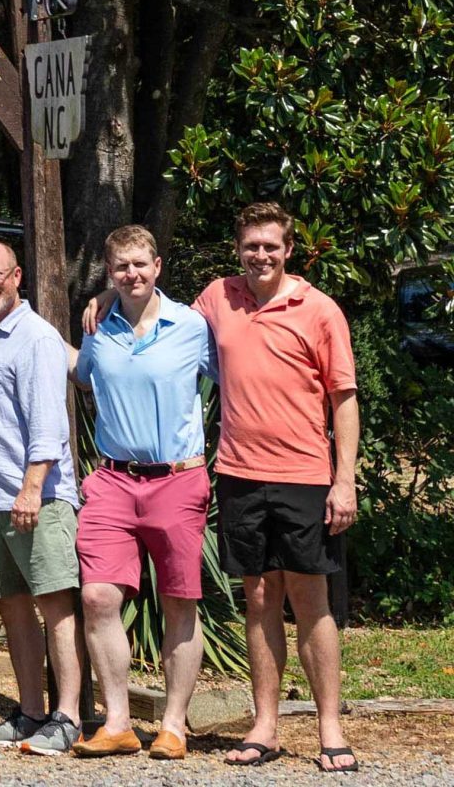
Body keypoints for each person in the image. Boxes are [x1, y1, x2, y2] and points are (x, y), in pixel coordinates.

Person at [192, 203, 360, 773]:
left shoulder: (318, 310)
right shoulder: (219, 298)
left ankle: (330, 727)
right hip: (238, 472)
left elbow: (344, 397)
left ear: (289, 249)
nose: (259, 255)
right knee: (259, 599)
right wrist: (105, 300)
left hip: (307, 476)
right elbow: (160, 318)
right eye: (250, 246)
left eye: (270, 246)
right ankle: (264, 725)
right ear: (237, 248)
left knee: (310, 601)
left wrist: (344, 481)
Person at [69, 226, 215, 761]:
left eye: (140, 264)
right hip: (111, 479)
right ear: (109, 272)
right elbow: (83, 378)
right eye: (120, 268)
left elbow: (233, 377)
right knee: (97, 597)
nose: (131, 274)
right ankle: (118, 722)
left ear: (157, 266)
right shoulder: (97, 328)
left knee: (179, 600)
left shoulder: (193, 326)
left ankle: (173, 726)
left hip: (177, 477)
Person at [0, 238, 83, 755]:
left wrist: (31, 488)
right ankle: (30, 711)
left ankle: (68, 716)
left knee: (56, 607)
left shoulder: (35, 337)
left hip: (36, 498)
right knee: (12, 610)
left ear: (17, 276)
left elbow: (49, 422)